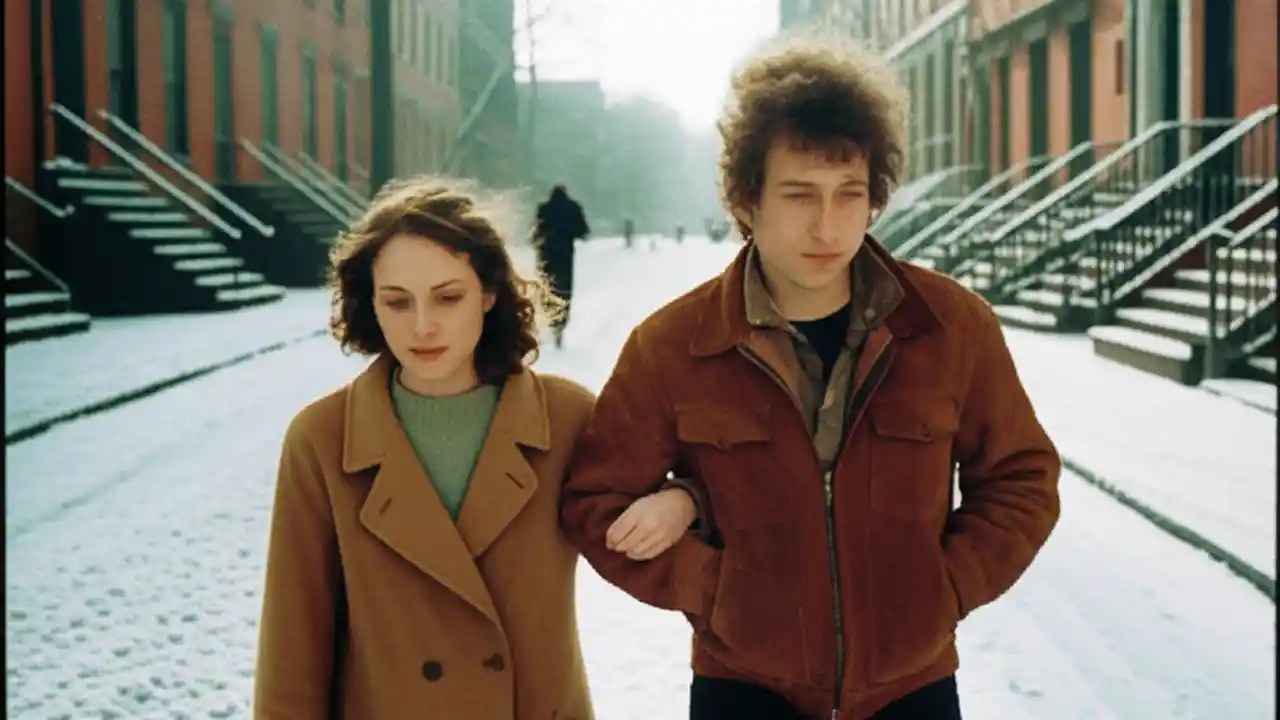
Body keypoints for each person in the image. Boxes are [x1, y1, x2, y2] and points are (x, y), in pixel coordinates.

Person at [559, 33, 1061, 720]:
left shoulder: (950, 326)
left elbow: (1022, 478)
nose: (828, 225)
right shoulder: (673, 346)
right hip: (743, 691)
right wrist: (715, 593)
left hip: (911, 691)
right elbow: (596, 501)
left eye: (849, 194)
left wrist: (943, 589)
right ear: (745, 200)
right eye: (800, 195)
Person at [253, 176, 699, 719]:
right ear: (370, 303)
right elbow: (293, 647)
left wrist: (684, 501)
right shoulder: (323, 438)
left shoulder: (564, 417)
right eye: (397, 302)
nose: (423, 326)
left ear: (489, 293)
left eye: (448, 297)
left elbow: (682, 504)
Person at [534, 184, 590, 348]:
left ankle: (549, 321)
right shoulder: (572, 208)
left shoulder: (544, 209)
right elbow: (583, 231)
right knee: (564, 291)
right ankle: (559, 326)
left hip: (545, 256)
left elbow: (536, 232)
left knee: (546, 288)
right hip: (564, 256)